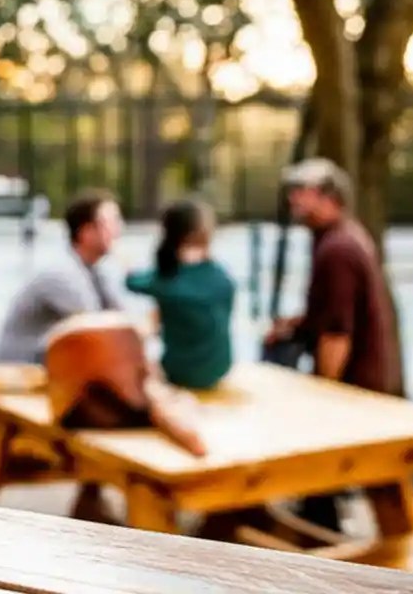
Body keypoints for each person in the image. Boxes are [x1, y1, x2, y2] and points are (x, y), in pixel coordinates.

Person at [265, 157, 397, 532]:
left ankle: (319, 534)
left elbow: (338, 331)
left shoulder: (337, 249)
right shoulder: (339, 236)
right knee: (320, 490)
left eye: (301, 192)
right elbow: (329, 314)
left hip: (353, 383)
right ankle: (319, 524)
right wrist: (296, 325)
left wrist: (325, 391)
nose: (293, 199)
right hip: (359, 378)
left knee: (319, 457)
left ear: (328, 197)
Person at [0, 190, 124, 365]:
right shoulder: (62, 273)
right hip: (20, 373)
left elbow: (121, 321)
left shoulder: (95, 273)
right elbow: (100, 331)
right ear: (86, 231)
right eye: (111, 223)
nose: (118, 230)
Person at [126, 198, 235, 390]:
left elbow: (131, 282)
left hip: (179, 373)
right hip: (219, 368)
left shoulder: (163, 280)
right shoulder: (222, 278)